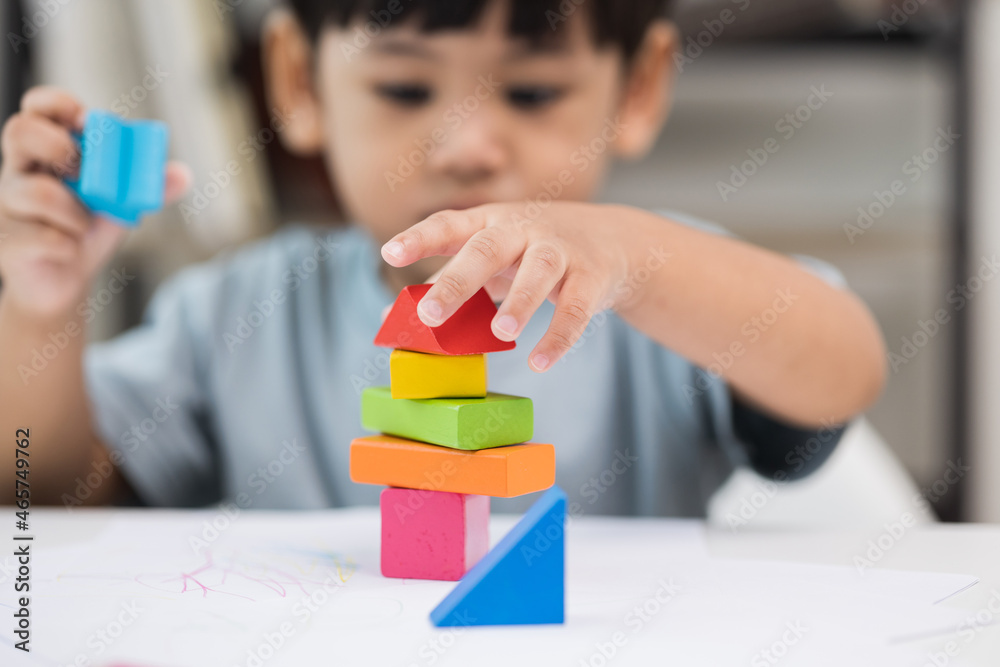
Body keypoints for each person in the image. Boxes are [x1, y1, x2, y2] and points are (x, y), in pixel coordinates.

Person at [0, 0, 886, 515]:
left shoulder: (665, 289)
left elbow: (845, 370)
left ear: (640, 87)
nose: (468, 146)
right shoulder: (235, 313)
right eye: (405, 88)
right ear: (300, 85)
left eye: (534, 91)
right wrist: (41, 307)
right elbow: (42, 487)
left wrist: (637, 256)